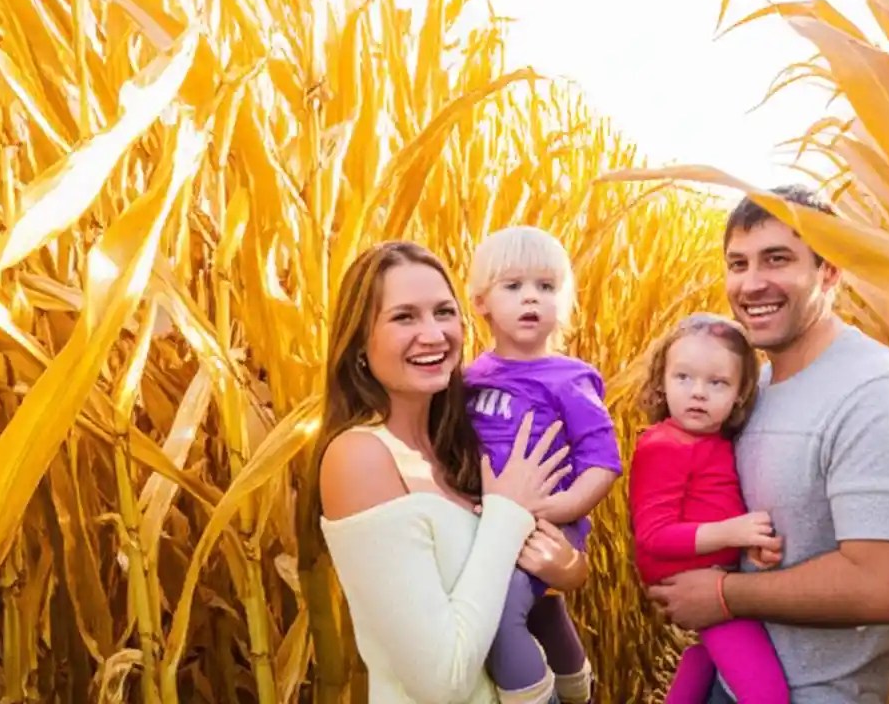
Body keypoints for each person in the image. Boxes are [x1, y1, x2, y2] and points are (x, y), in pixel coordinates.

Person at [646, 185, 889, 703]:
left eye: (777, 259)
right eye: (737, 263)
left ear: (830, 270)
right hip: (728, 680)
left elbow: (880, 586)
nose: (752, 283)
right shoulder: (744, 392)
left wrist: (721, 595)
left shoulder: (878, 393)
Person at [317, 241, 592, 703]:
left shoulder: (465, 441)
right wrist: (506, 512)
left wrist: (567, 569)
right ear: (360, 340)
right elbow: (442, 683)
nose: (433, 334)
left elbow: (532, 574)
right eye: (404, 317)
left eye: (444, 312)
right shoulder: (359, 458)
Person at [464, 226, 622, 704]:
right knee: (544, 614)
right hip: (493, 520)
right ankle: (580, 694)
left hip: (550, 523)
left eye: (546, 287)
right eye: (513, 286)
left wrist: (557, 509)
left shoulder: (569, 379)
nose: (531, 298)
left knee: (503, 606)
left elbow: (603, 462)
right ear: (480, 302)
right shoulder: (471, 376)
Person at [628, 313, 789, 704]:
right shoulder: (663, 445)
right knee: (768, 697)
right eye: (683, 378)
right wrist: (733, 533)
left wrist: (747, 547)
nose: (698, 392)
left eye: (717, 383)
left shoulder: (713, 441)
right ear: (662, 384)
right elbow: (653, 535)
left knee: (706, 658)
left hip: (709, 563)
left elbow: (711, 505)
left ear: (740, 393)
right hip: (687, 573)